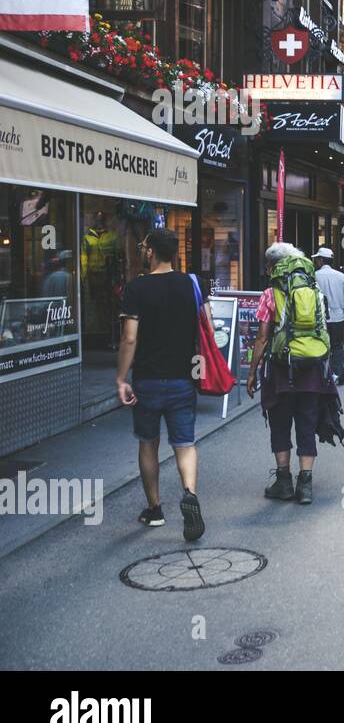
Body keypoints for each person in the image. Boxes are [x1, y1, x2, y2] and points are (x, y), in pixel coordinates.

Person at [115, 228, 206, 540]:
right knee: (185, 443)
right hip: (183, 378)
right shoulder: (191, 284)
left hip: (148, 380)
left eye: (143, 246)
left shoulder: (137, 288)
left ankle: (154, 510)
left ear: (150, 251)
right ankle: (190, 494)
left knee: (148, 442)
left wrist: (120, 378)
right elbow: (205, 326)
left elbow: (129, 338)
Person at [247, 243, 343, 505]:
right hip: (312, 369)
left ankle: (284, 482)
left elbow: (262, 337)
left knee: (279, 424)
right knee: (306, 424)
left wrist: (252, 371)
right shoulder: (313, 290)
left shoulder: (269, 294)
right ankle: (306, 485)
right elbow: (322, 327)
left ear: (271, 267)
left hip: (281, 371)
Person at [312, 246, 344, 386]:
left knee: (321, 347)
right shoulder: (341, 276)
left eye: (317, 259)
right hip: (338, 317)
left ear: (321, 260)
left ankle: (323, 376)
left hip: (321, 318)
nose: (316, 262)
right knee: (337, 347)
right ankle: (339, 375)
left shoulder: (315, 276)